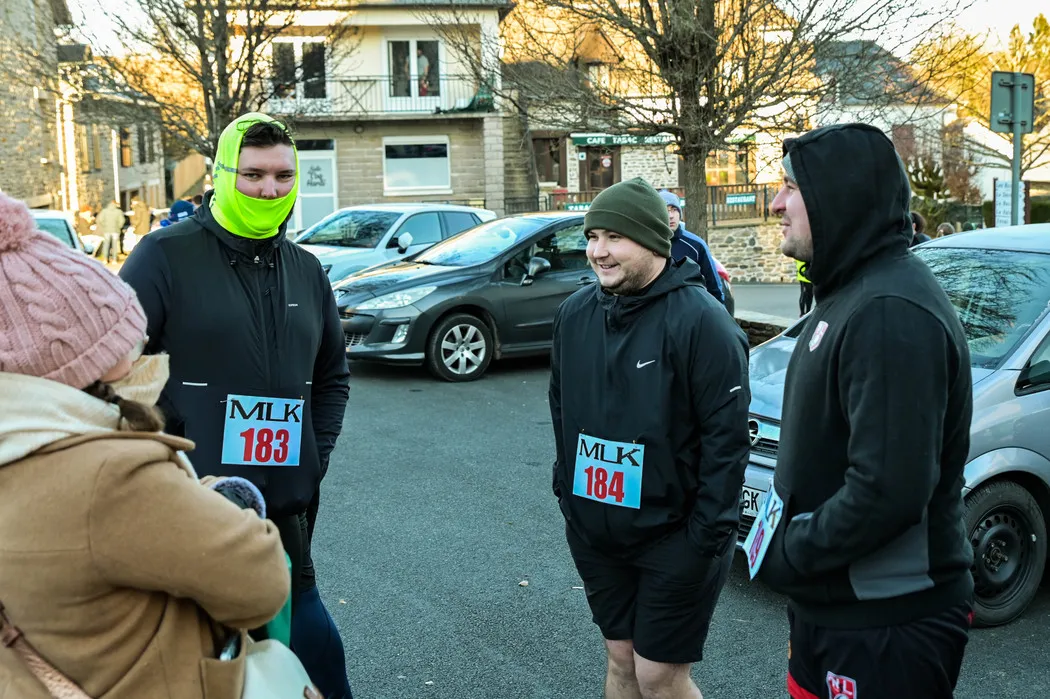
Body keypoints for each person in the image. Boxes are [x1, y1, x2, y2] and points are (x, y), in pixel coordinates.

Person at [0, 191, 290, 699]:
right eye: (119, 337)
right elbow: (260, 586)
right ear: (76, 360)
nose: (138, 344)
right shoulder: (110, 478)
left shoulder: (20, 452)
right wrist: (219, 500)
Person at [119, 112, 354, 699]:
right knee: (213, 673)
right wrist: (168, 466)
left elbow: (332, 378)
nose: (270, 190)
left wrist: (312, 458)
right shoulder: (163, 256)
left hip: (286, 518)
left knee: (318, 664)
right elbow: (115, 375)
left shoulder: (306, 270)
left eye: (282, 176)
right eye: (253, 175)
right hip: (193, 512)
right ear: (222, 175)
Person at [757, 123, 974, 699]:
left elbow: (887, 491)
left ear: (838, 195)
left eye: (790, 187)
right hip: (835, 609)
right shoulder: (851, 290)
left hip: (887, 621)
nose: (775, 203)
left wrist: (790, 550)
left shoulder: (889, 311)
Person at [549, 177, 751, 699]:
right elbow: (561, 409)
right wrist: (568, 495)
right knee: (621, 659)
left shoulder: (704, 323)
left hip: (676, 539)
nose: (598, 251)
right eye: (592, 237)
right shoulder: (575, 315)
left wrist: (702, 540)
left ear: (652, 241)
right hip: (597, 535)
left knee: (658, 674)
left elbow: (726, 446)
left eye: (614, 237)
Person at [657, 190, 725, 304]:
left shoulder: (696, 245)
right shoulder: (647, 245)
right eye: (665, 210)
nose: (671, 216)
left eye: (674, 210)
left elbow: (714, 288)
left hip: (690, 311)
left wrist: (720, 312)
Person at [96, 199, 125, 264]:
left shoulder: (104, 211)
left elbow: (100, 220)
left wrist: (104, 226)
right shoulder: (118, 211)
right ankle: (114, 260)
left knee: (106, 245)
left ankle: (105, 259)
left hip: (106, 230)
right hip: (115, 230)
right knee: (114, 245)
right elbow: (122, 221)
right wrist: (119, 227)